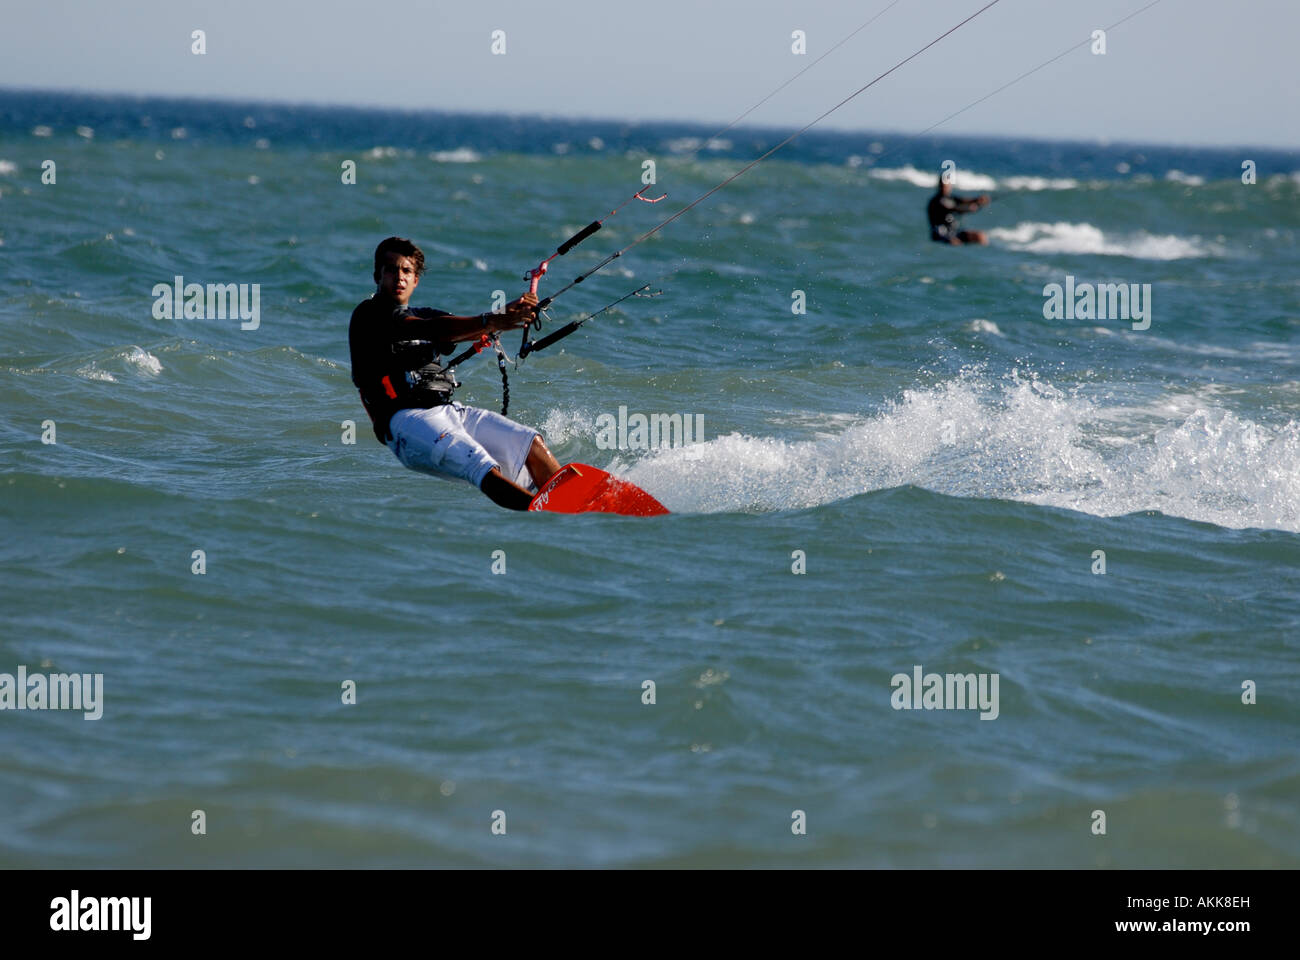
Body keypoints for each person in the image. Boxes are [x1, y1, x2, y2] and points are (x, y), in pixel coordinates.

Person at [349, 236, 561, 510]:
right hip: (404, 422)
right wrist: (495, 321)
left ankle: (566, 502)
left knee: (530, 443)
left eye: (407, 271)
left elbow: (464, 325)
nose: (399, 277)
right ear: (377, 275)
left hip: (447, 412)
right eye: (391, 269)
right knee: (480, 466)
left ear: (416, 280)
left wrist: (510, 311)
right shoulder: (369, 315)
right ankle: (548, 516)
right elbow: (435, 329)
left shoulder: (422, 314)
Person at [927, 174, 991, 245]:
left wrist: (978, 200)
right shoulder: (936, 201)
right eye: (943, 185)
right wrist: (969, 209)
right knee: (954, 242)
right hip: (941, 233)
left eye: (947, 185)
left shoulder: (950, 198)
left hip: (954, 231)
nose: (945, 188)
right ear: (939, 185)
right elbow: (953, 209)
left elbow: (964, 201)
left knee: (980, 236)